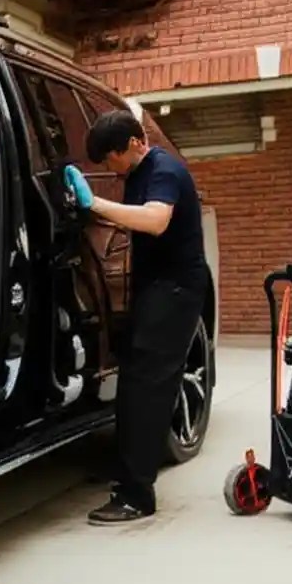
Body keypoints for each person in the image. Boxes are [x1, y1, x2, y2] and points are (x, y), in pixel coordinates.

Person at [65, 110, 207, 525]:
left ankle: (137, 495)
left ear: (132, 145)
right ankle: (128, 472)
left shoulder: (164, 169)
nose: (109, 168)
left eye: (110, 159)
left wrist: (96, 202)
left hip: (175, 291)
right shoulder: (139, 173)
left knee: (147, 389)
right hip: (156, 289)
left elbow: (156, 219)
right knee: (134, 383)